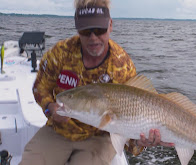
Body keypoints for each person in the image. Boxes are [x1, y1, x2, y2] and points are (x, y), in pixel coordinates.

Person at [20, 0, 173, 164]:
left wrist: (141, 142)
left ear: (110, 25)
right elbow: (40, 88)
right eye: (86, 31)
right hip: (59, 131)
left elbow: (129, 129)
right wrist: (51, 109)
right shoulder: (60, 53)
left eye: (99, 30)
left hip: (100, 137)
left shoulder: (122, 65)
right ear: (77, 29)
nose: (93, 38)